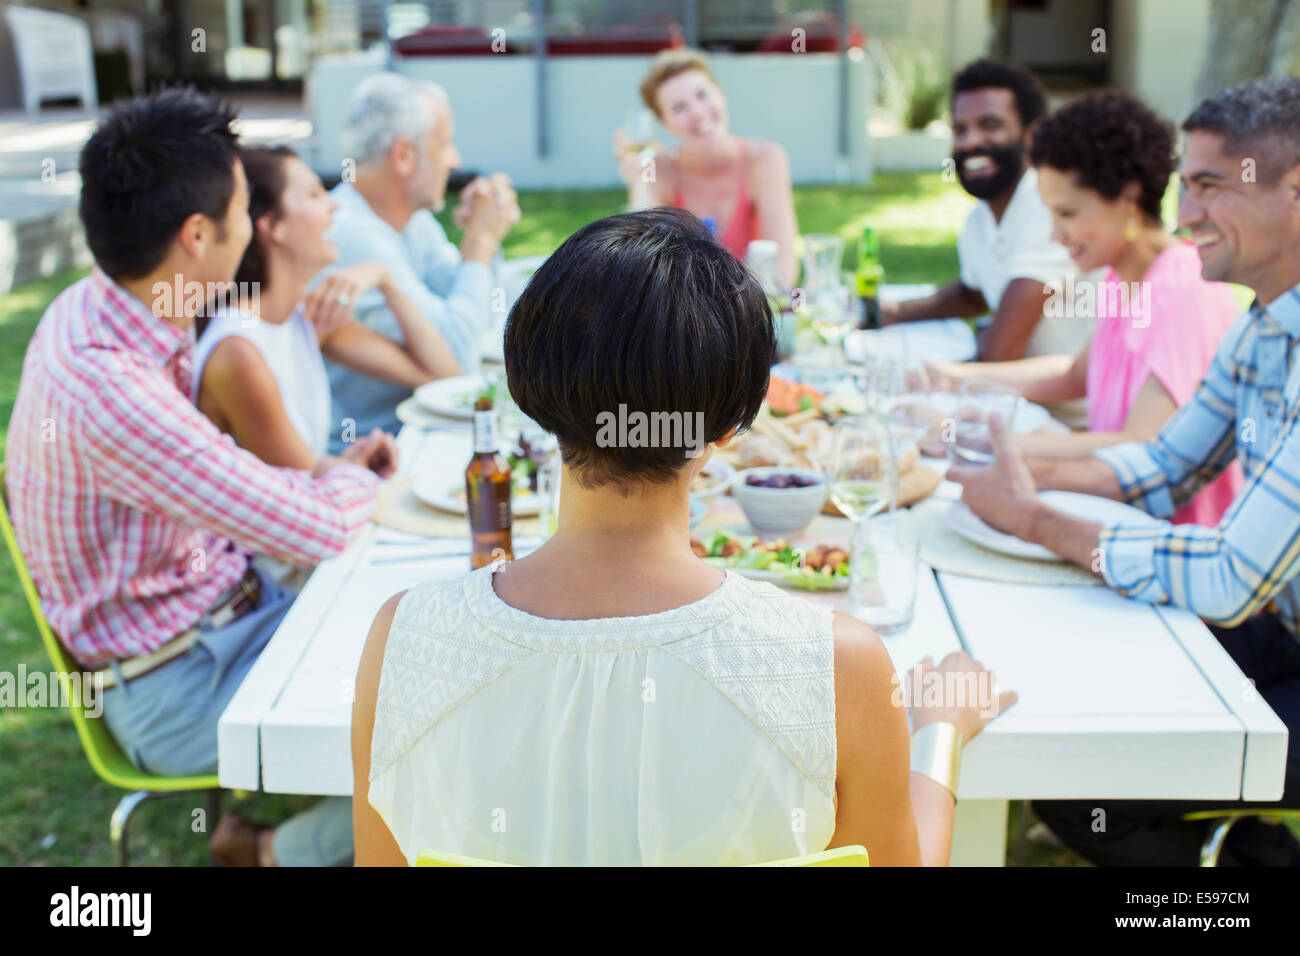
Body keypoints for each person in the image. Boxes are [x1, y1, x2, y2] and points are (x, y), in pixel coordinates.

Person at [350, 208, 1015, 866]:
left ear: (530, 387)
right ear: (732, 424)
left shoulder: (404, 639)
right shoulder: (839, 666)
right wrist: (940, 736)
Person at [5, 89, 396, 867]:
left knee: (426, 646)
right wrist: (356, 482)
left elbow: (260, 495)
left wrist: (326, 477)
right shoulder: (109, 388)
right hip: (180, 685)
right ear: (195, 235)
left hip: (231, 621)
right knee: (431, 717)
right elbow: (316, 526)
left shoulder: (107, 306)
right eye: (247, 211)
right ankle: (272, 851)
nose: (253, 230)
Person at [949, 77, 1300, 866]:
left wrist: (1032, 516)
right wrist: (1010, 482)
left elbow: (1230, 578)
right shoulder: (1265, 323)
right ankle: (1243, 851)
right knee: (1065, 737)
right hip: (1282, 627)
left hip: (1259, 612)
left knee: (1093, 780)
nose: (1185, 217)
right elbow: (1161, 467)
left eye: (1211, 187)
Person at [930, 90, 1242, 527]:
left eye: (1069, 213)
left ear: (1128, 199)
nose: (1057, 235)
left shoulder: (1185, 288)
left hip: (1169, 542)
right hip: (1111, 519)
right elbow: (1075, 374)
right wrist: (948, 376)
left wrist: (978, 440)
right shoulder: (1121, 275)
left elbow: (1139, 444)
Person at [194, 145, 460, 470]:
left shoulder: (303, 318)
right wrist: (351, 471)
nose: (334, 205)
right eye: (314, 195)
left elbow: (441, 374)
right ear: (273, 226)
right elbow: (304, 491)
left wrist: (385, 279)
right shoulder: (239, 351)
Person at [320, 71, 520, 449]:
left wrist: (481, 246)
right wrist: (479, 243)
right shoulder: (352, 235)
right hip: (369, 451)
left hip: (418, 432)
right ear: (404, 156)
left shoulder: (410, 220)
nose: (455, 160)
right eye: (445, 144)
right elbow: (457, 360)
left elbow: (482, 314)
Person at [883, 60, 1090, 422]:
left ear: (1033, 134)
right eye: (960, 129)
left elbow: (1000, 351)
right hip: (1020, 407)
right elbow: (973, 294)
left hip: (1074, 423)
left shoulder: (1047, 206)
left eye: (989, 125)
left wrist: (957, 353)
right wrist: (887, 314)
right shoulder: (980, 218)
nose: (970, 142)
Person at [617, 48, 800, 287]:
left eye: (702, 94)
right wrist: (639, 182)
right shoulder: (656, 168)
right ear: (665, 123)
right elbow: (642, 268)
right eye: (679, 108)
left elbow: (785, 270)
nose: (697, 112)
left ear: (720, 94)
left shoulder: (765, 159)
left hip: (753, 310)